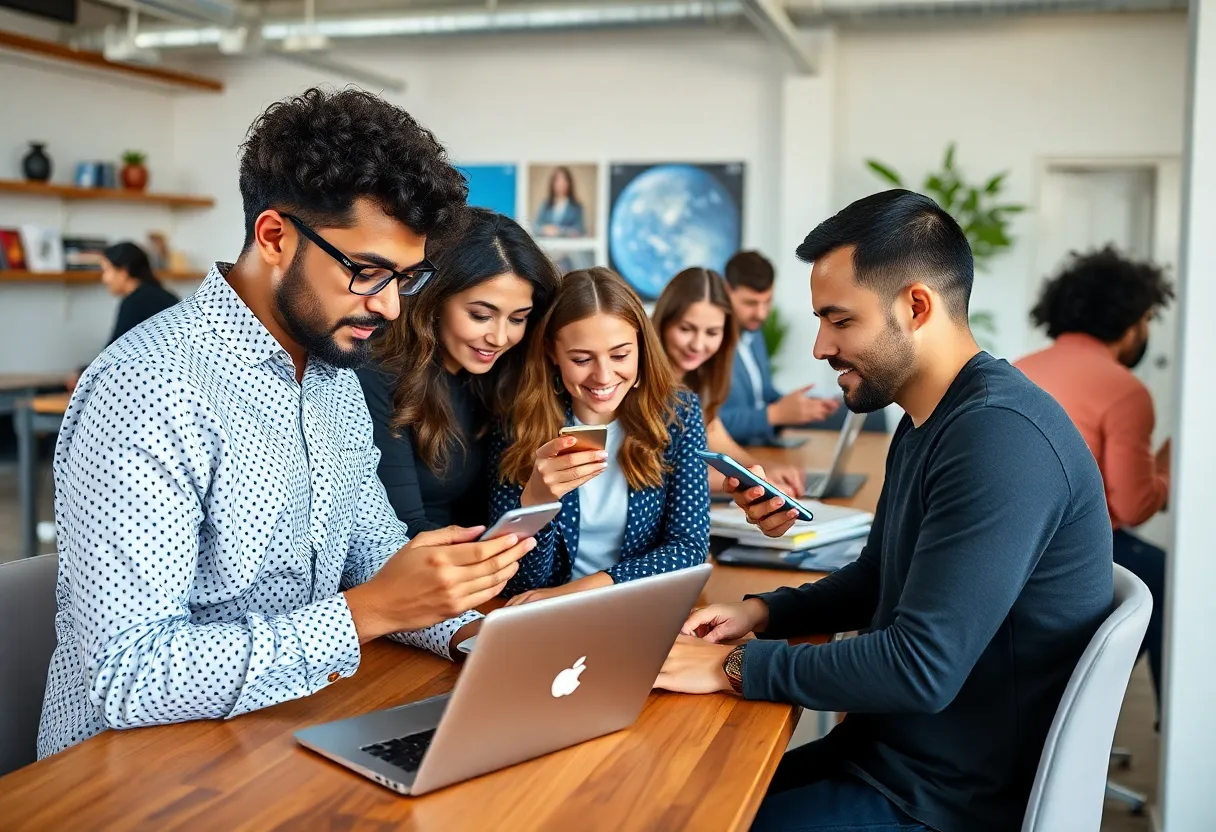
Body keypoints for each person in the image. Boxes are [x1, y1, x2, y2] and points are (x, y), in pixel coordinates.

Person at [38, 88, 535, 759]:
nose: (390, 307)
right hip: (132, 773)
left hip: (279, 731)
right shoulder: (152, 387)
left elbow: (375, 557)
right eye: (367, 272)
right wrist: (371, 613)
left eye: (406, 278)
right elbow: (129, 676)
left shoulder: (334, 381)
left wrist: (472, 634)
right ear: (274, 237)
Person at [655, 190, 1113, 832]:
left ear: (916, 306)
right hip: (890, 761)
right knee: (678, 799)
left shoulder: (998, 437)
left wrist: (734, 666)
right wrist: (760, 612)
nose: (819, 346)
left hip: (942, 802)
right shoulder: (930, 416)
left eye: (839, 321)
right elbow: (878, 576)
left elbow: (920, 667)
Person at [488, 266, 710, 605]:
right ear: (552, 353)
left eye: (620, 355)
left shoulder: (678, 415)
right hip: (547, 614)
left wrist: (577, 591)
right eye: (581, 359)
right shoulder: (518, 423)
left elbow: (689, 549)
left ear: (641, 347)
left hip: (634, 605)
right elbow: (520, 584)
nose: (604, 375)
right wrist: (538, 501)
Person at [1015, 245, 1173, 711]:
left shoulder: (1017, 369)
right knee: (1168, 575)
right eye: (1146, 321)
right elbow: (1129, 506)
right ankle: (1141, 718)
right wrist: (1167, 470)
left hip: (1012, 551)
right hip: (1071, 554)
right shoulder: (1125, 390)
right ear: (1129, 324)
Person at [357, 209, 561, 533]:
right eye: (481, 315)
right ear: (434, 300)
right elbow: (401, 530)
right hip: (415, 567)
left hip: (483, 568)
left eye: (518, 318)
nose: (499, 338)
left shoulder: (500, 378)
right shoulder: (376, 376)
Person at [651, 266, 806, 497]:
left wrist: (760, 471)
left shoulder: (698, 377)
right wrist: (750, 482)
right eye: (686, 329)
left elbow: (714, 432)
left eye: (712, 333)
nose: (698, 344)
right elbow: (657, 471)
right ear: (664, 323)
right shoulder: (640, 380)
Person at [718, 250, 839, 445]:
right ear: (726, 291)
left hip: (759, 449)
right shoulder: (706, 344)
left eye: (767, 302)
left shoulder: (754, 334)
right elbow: (708, 424)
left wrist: (800, 405)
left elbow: (764, 393)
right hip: (728, 457)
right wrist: (774, 414)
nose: (761, 314)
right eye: (750, 303)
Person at [65, 241, 179, 391]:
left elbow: (114, 353)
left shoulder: (134, 302)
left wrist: (83, 374)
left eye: (106, 271)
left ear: (123, 271)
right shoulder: (167, 297)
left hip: (147, 390)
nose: (104, 279)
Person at [533, 166, 586, 238]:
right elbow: (535, 227)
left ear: (569, 183)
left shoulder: (576, 206)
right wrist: (545, 229)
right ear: (553, 183)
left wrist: (559, 231)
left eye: (564, 180)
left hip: (569, 247)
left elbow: (580, 230)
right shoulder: (545, 204)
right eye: (557, 180)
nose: (561, 183)